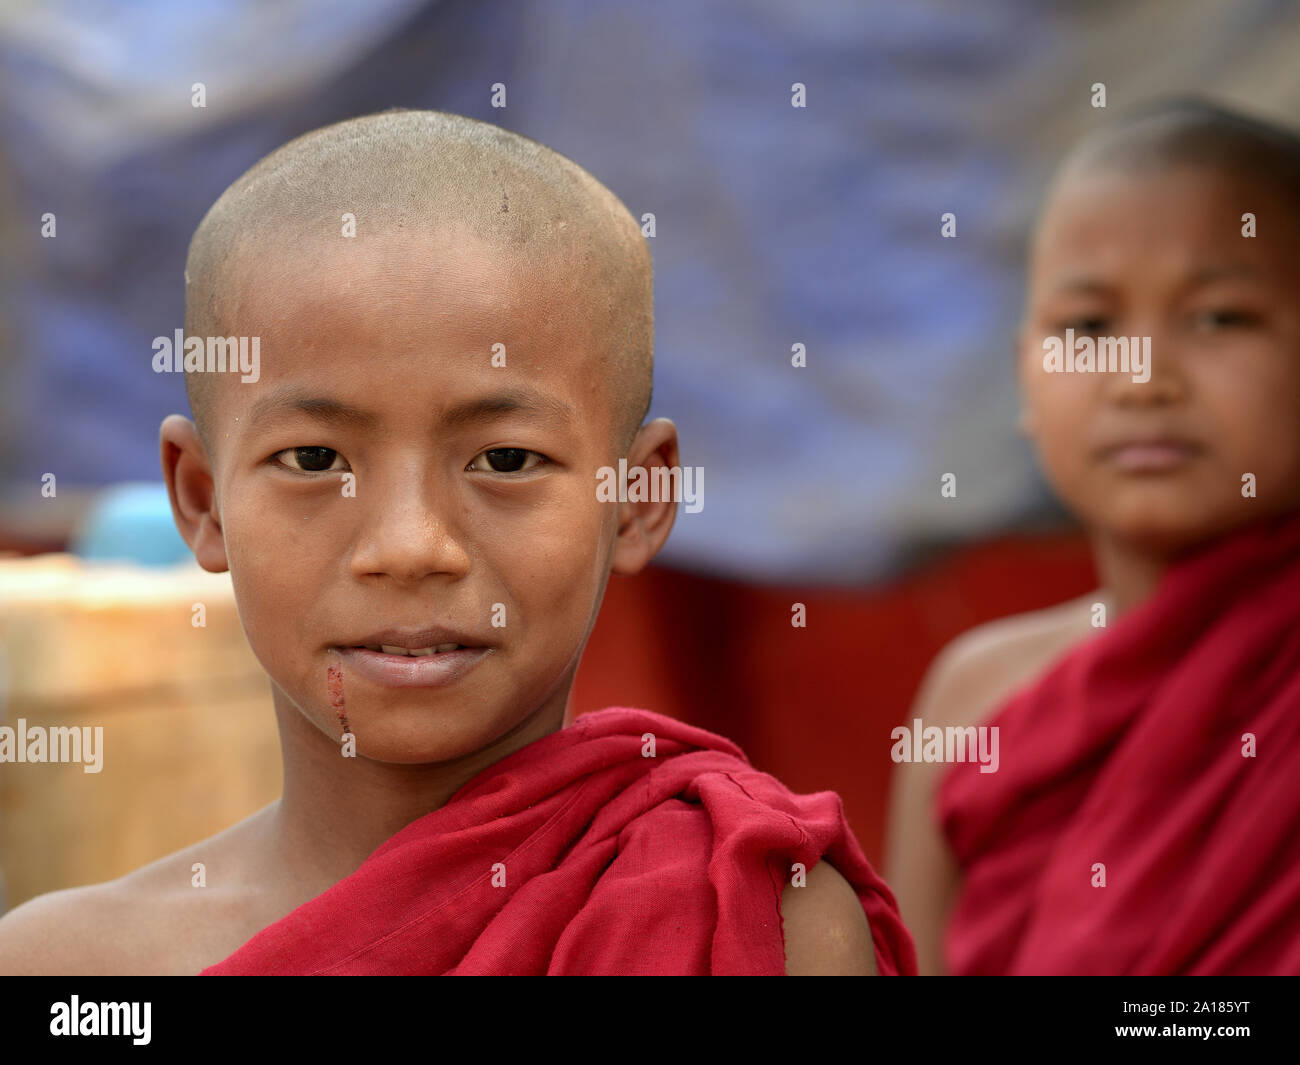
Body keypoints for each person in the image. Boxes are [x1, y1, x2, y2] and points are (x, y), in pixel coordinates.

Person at [0, 110, 915, 976]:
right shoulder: (71, 967)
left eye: (506, 458)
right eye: (314, 458)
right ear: (201, 501)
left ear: (636, 496)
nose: (410, 545)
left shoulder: (753, 913)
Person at [886, 98, 1300, 975]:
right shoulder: (976, 695)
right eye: (1089, 328)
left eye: (1220, 316)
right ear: (1024, 378)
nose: (1142, 379)